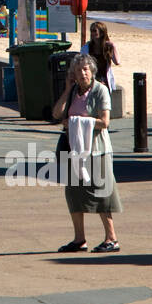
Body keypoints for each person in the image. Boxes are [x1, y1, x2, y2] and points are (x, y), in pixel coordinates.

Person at [52, 54, 121, 253]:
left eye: (85, 69)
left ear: (92, 71)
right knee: (73, 195)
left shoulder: (101, 90)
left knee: (102, 195)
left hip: (97, 151)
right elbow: (57, 113)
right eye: (78, 70)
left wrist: (77, 122)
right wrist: (67, 90)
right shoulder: (73, 91)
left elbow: (105, 122)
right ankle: (79, 239)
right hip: (75, 150)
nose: (82, 73)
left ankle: (111, 238)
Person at [82, 21, 121, 94]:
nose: (92, 33)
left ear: (102, 33)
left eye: (94, 31)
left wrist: (113, 46)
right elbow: (82, 65)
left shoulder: (107, 47)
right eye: (91, 31)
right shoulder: (87, 47)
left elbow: (117, 62)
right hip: (91, 81)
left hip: (105, 81)